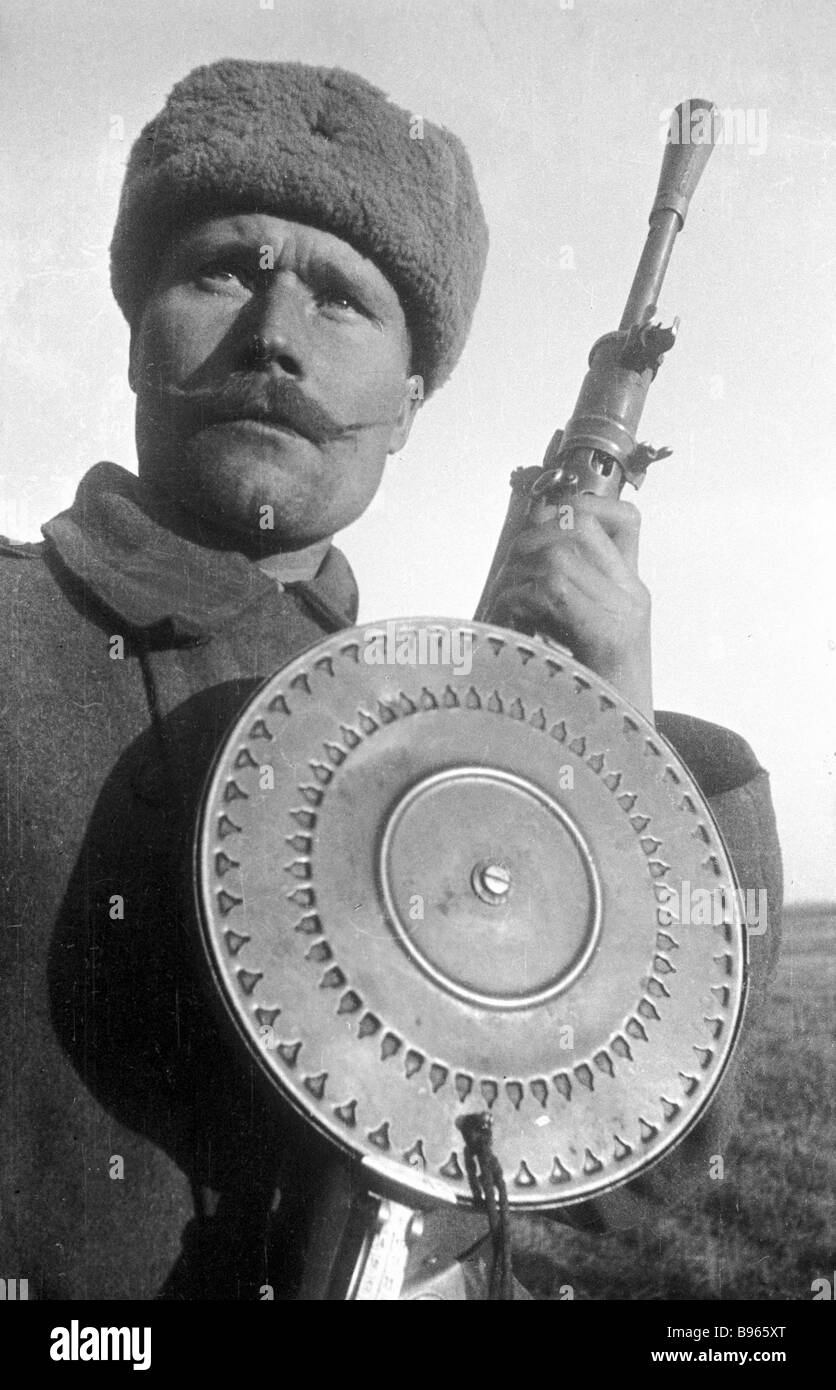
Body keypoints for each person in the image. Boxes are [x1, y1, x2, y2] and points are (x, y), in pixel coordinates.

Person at [0, 58, 782, 1300]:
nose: (274, 336)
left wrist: (611, 747)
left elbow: (640, 1167)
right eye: (223, 269)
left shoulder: (433, 731)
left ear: (410, 403)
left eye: (342, 301)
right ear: (138, 330)